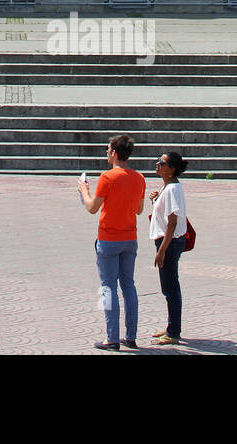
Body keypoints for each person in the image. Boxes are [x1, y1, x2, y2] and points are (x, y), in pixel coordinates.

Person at [77, 135, 146, 351]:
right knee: (129, 286)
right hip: (130, 238)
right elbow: (139, 210)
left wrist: (84, 190)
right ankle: (131, 336)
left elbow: (92, 207)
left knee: (108, 287)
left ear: (114, 153)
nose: (107, 152)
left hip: (108, 239)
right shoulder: (139, 178)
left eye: (108, 149)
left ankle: (112, 337)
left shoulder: (107, 177)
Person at [148, 151, 189, 345]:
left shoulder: (172, 189)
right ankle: (171, 326)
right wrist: (156, 199)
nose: (157, 164)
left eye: (162, 163)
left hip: (169, 242)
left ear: (171, 169)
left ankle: (173, 332)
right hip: (169, 241)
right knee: (169, 287)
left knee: (171, 288)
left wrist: (162, 250)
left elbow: (172, 223)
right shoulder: (168, 186)